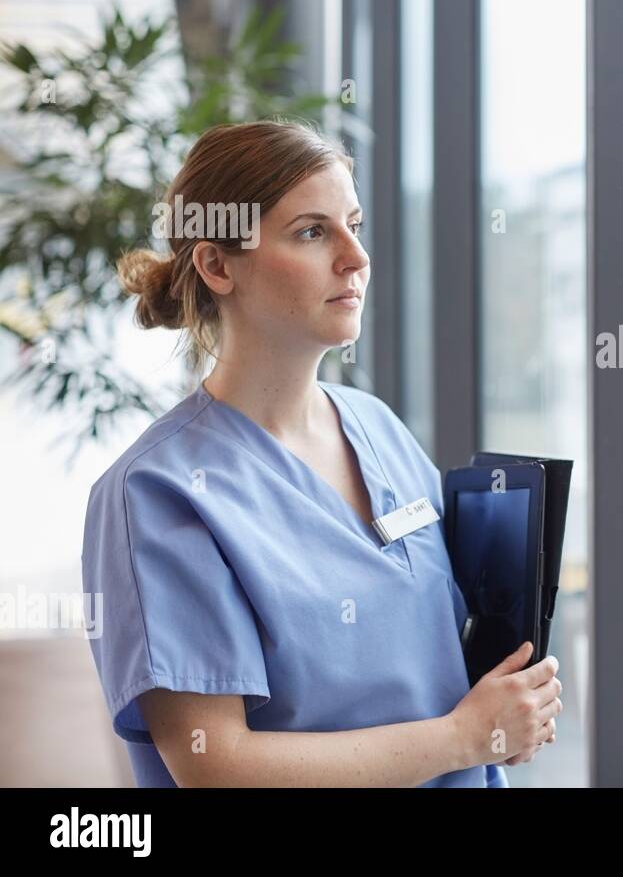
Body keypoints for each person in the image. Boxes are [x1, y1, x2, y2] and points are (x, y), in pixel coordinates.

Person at [80, 119, 560, 787]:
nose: (355, 257)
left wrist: (508, 714)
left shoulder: (378, 428)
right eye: (312, 231)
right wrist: (460, 739)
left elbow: (448, 662)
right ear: (218, 265)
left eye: (353, 225)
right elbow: (216, 766)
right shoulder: (156, 494)